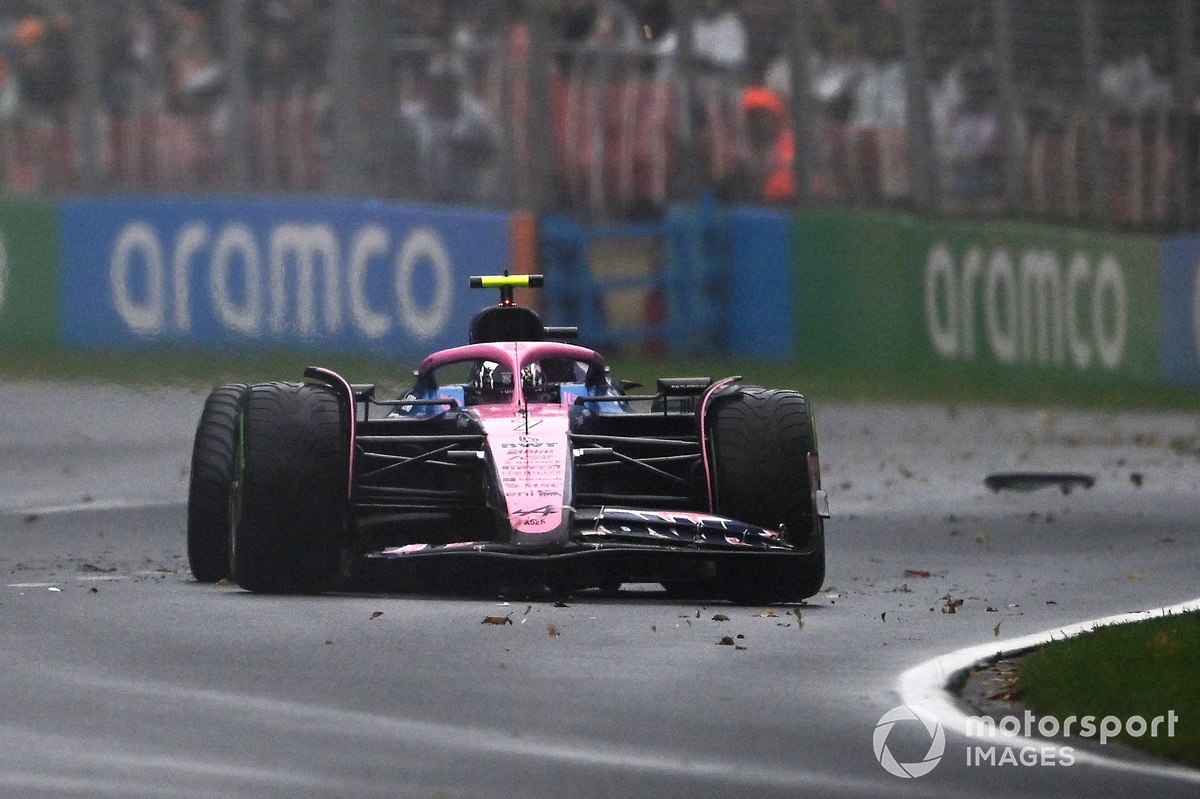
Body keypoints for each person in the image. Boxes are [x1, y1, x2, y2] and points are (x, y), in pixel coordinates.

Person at [390, 52, 504, 205]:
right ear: (430, 85)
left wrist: (467, 148)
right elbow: (395, 156)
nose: (443, 90)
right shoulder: (411, 117)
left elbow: (494, 151)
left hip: (467, 197)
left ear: (460, 85)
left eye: (450, 84)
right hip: (420, 196)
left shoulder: (478, 119)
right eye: (439, 83)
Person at [718, 85, 795, 205]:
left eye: (764, 117)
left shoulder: (791, 156)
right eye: (753, 117)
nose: (759, 123)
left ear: (775, 120)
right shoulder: (736, 160)